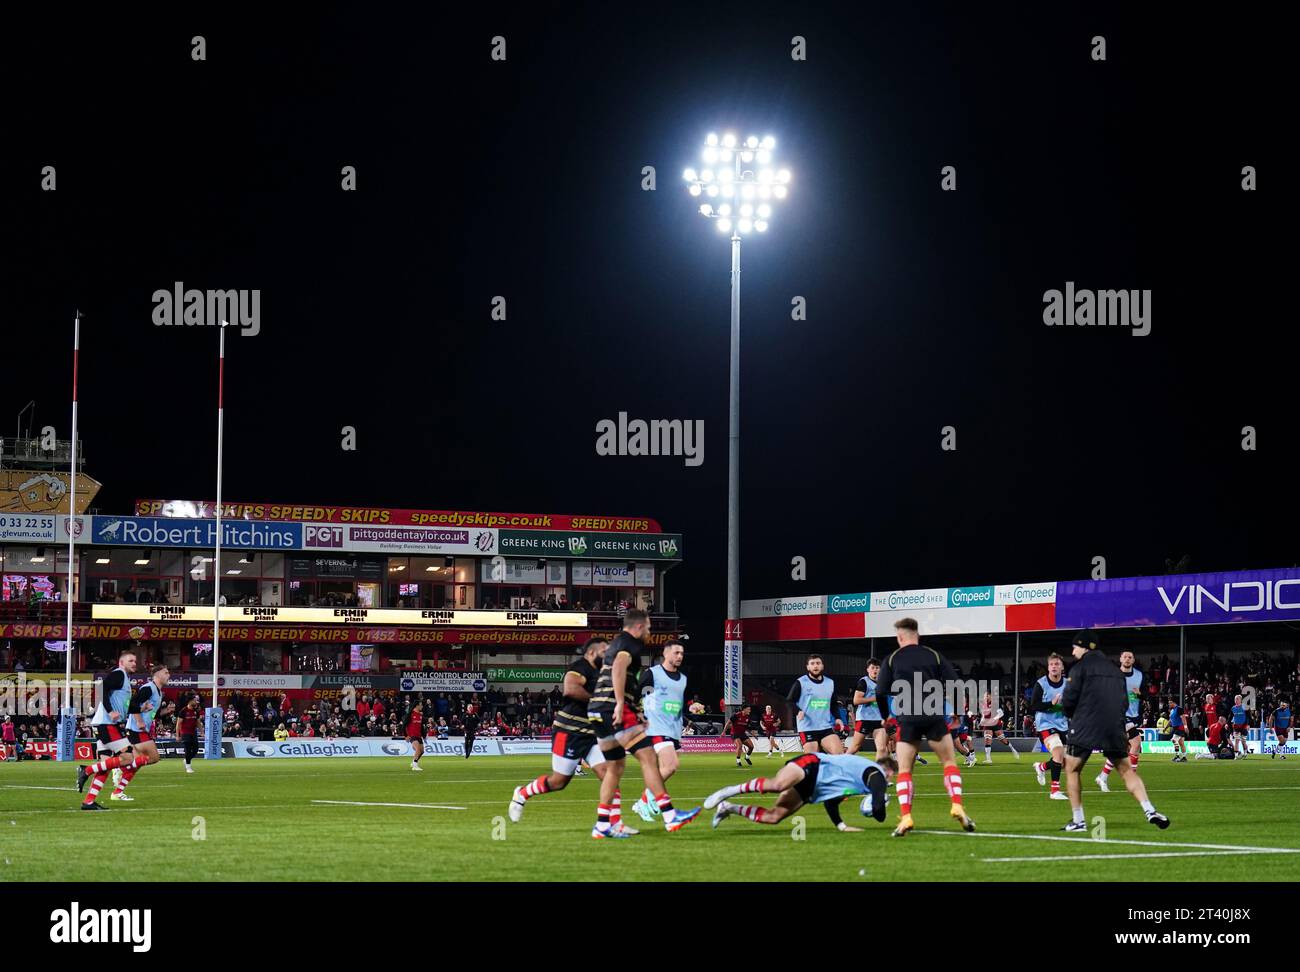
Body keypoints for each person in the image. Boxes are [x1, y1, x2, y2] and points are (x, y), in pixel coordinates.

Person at [586, 609, 699, 838]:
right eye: (647, 627)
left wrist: (634, 709)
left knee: (615, 769)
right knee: (648, 758)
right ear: (638, 627)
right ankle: (669, 815)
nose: (648, 632)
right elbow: (619, 666)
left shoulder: (616, 642)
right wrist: (620, 703)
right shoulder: (631, 645)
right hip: (612, 709)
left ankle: (602, 824)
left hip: (597, 710)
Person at [1057, 632, 1169, 831]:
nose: (1072, 651)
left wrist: (1075, 717)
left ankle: (1078, 820)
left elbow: (1068, 702)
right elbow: (1124, 702)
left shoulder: (1079, 668)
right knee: (1126, 770)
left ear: (1084, 647)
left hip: (1085, 725)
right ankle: (1149, 809)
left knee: (1072, 769)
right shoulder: (1115, 671)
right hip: (1114, 725)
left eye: (1074, 647)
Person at [877, 617, 975, 837]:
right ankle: (957, 804)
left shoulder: (892, 658)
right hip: (934, 716)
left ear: (899, 637)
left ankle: (906, 817)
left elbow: (880, 692)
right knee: (949, 762)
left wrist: (885, 718)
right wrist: (957, 714)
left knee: (905, 770)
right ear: (917, 635)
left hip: (907, 719)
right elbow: (956, 684)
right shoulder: (933, 655)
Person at [509, 638, 615, 822]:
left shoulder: (604, 673)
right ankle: (522, 794)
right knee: (558, 782)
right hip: (569, 730)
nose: (608, 655)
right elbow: (571, 689)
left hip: (592, 733)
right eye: (604, 651)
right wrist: (598, 702)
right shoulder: (580, 667)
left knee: (608, 774)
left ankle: (609, 823)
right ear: (591, 652)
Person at [704, 751, 898, 833]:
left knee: (774, 817)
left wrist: (841, 826)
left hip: (814, 787)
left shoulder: (861, 779)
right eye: (891, 777)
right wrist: (878, 805)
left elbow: (832, 801)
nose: (889, 781)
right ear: (889, 771)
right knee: (778, 785)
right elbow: (879, 811)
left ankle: (728, 807)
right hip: (813, 764)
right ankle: (728, 791)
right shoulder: (876, 773)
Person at [77, 650, 139, 810]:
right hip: (107, 724)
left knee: (106, 765)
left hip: (104, 723)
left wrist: (140, 707)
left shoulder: (124, 679)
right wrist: (110, 711)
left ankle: (88, 802)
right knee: (128, 758)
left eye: (135, 661)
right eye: (130, 660)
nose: (134, 663)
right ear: (121, 662)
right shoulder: (119, 674)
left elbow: (122, 706)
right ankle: (87, 770)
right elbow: (101, 689)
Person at [110, 664, 174, 802]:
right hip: (136, 729)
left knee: (138, 764)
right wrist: (139, 721)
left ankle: (117, 792)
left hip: (140, 729)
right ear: (157, 675)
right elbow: (133, 704)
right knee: (154, 757)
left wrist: (166, 711)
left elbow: (153, 714)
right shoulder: (148, 688)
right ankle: (120, 767)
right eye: (166, 672)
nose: (169, 675)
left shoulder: (158, 692)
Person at [1096, 650, 1143, 791]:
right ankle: (1132, 779)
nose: (1127, 659)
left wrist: (1139, 695)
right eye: (1125, 657)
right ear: (1120, 659)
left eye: (1130, 657)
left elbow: (1143, 695)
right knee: (1136, 742)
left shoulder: (1139, 675)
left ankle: (1102, 776)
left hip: (1132, 714)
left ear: (1133, 660)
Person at [786, 654, 845, 754]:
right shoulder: (800, 682)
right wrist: (798, 711)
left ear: (822, 666)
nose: (815, 666)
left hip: (825, 727)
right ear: (808, 667)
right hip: (807, 728)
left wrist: (838, 718)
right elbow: (789, 701)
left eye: (818, 663)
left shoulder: (830, 683)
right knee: (813, 759)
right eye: (812, 664)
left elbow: (833, 704)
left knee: (839, 755)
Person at [1031, 653, 1070, 799]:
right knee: (1058, 752)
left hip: (1062, 725)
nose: (1054, 666)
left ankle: (1041, 767)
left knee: (1063, 761)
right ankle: (1054, 791)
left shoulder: (1068, 684)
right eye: (1051, 664)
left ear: (1062, 667)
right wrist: (1050, 704)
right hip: (1045, 725)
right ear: (1048, 668)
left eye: (1057, 664)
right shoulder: (1041, 684)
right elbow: (1034, 705)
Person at [846, 658, 886, 758]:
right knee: (855, 747)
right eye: (872, 668)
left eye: (877, 668)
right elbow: (856, 700)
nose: (875, 670)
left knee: (881, 748)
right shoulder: (864, 682)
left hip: (879, 719)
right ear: (868, 669)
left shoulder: (883, 683)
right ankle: (840, 762)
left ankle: (879, 771)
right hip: (864, 718)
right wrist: (874, 698)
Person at [977, 691, 1019, 763]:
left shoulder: (995, 703)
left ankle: (1013, 749)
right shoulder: (983, 705)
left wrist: (994, 719)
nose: (985, 697)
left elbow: (1001, 713)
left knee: (1003, 740)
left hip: (996, 724)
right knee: (987, 740)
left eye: (987, 696)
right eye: (984, 696)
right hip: (987, 725)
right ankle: (988, 759)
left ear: (990, 696)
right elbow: (983, 715)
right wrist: (981, 722)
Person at [723, 704, 755, 768]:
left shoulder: (748, 718)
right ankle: (738, 761)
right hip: (734, 733)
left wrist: (753, 734)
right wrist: (724, 731)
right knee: (739, 745)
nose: (750, 711)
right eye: (748, 709)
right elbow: (728, 723)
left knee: (751, 747)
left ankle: (747, 757)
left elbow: (747, 728)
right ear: (744, 709)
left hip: (742, 734)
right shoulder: (736, 715)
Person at [177, 695, 201, 774]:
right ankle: (188, 767)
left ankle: (186, 760)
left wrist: (202, 731)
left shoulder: (195, 711)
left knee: (195, 750)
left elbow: (198, 722)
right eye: (194, 700)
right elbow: (178, 724)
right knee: (188, 749)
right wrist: (178, 735)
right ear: (190, 701)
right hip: (185, 733)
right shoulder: (183, 711)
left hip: (193, 733)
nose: (196, 702)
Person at [406, 700, 426, 771]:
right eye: (421, 705)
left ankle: (414, 762)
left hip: (419, 735)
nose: (422, 706)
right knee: (417, 748)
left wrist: (424, 736)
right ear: (417, 706)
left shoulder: (420, 715)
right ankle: (415, 765)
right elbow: (403, 725)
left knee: (422, 751)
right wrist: (406, 735)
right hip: (412, 735)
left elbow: (421, 727)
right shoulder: (410, 714)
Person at [1168, 698, 1188, 762]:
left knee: (1174, 740)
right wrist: (1166, 728)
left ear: (1174, 703)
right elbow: (1171, 720)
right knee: (1181, 743)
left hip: (1180, 727)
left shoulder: (1179, 709)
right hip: (1175, 728)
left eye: (1170, 703)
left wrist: (1185, 727)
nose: (1169, 704)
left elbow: (1183, 718)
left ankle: (1177, 757)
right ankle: (1184, 757)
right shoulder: (1172, 710)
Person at [1229, 694, 1250, 758]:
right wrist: (1227, 724)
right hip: (1236, 726)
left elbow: (1248, 717)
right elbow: (1230, 717)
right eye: (1235, 699)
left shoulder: (1245, 707)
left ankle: (1245, 752)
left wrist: (1248, 725)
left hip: (1244, 726)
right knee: (1236, 740)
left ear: (1241, 700)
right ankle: (1236, 755)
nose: (1236, 700)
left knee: (1243, 741)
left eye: (1237, 699)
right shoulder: (1233, 708)